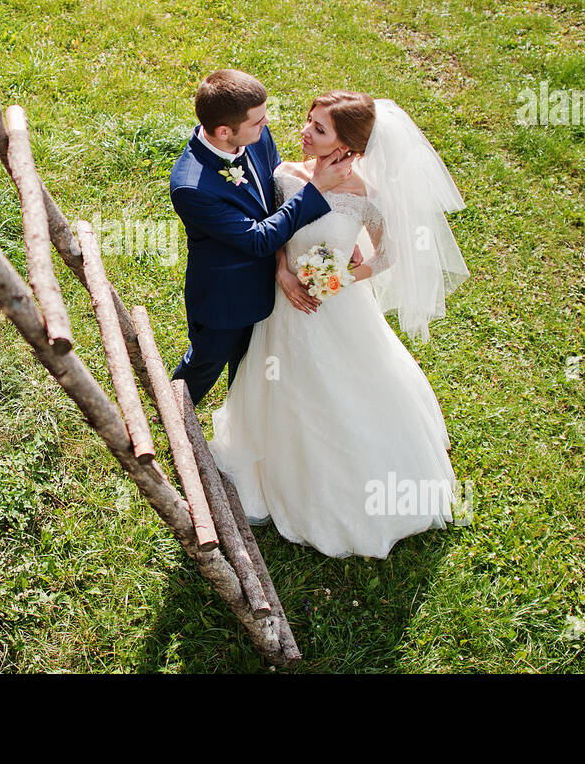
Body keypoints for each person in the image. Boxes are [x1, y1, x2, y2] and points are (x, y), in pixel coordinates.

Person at [207, 90, 470, 559]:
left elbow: (392, 251)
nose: (304, 131)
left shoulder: (366, 195)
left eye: (319, 129)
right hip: (285, 305)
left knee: (349, 387)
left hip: (338, 308)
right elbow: (272, 230)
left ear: (348, 147)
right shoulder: (286, 175)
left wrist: (346, 275)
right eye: (309, 121)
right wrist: (283, 271)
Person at [169, 70, 359, 406]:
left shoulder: (253, 135)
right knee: (206, 362)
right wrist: (317, 189)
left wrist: (325, 232)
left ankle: (238, 423)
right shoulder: (191, 187)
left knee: (248, 368)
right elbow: (257, 239)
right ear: (224, 131)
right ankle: (171, 414)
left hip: (272, 291)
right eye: (258, 121)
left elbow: (273, 191)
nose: (266, 122)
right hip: (226, 299)